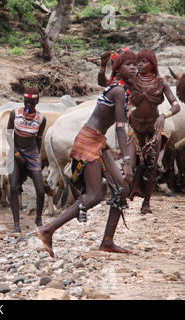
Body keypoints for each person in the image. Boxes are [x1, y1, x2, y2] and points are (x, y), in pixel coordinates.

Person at [36, 49, 137, 257]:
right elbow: (120, 128)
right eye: (129, 65)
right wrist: (127, 161)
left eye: (136, 64)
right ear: (118, 69)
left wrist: (101, 67)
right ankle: (48, 230)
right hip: (90, 141)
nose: (134, 68)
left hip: (97, 140)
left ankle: (107, 242)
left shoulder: (118, 87)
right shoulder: (118, 91)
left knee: (121, 189)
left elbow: (102, 81)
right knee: (94, 195)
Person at [126, 50, 181, 214]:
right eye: (138, 61)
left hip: (154, 131)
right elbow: (104, 83)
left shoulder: (161, 83)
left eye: (144, 61)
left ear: (152, 64)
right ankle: (122, 196)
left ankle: (146, 202)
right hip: (134, 129)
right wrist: (103, 67)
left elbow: (176, 105)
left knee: (151, 166)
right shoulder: (131, 80)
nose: (140, 64)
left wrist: (164, 115)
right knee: (129, 164)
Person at [6, 87, 46, 232]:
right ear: (23, 101)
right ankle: (16, 224)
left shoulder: (41, 119)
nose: (28, 105)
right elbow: (8, 135)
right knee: (14, 188)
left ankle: (39, 218)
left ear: (37, 102)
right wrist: (17, 155)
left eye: (32, 103)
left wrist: (36, 160)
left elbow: (39, 141)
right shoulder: (14, 114)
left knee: (40, 190)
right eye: (26, 102)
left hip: (32, 153)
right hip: (15, 152)